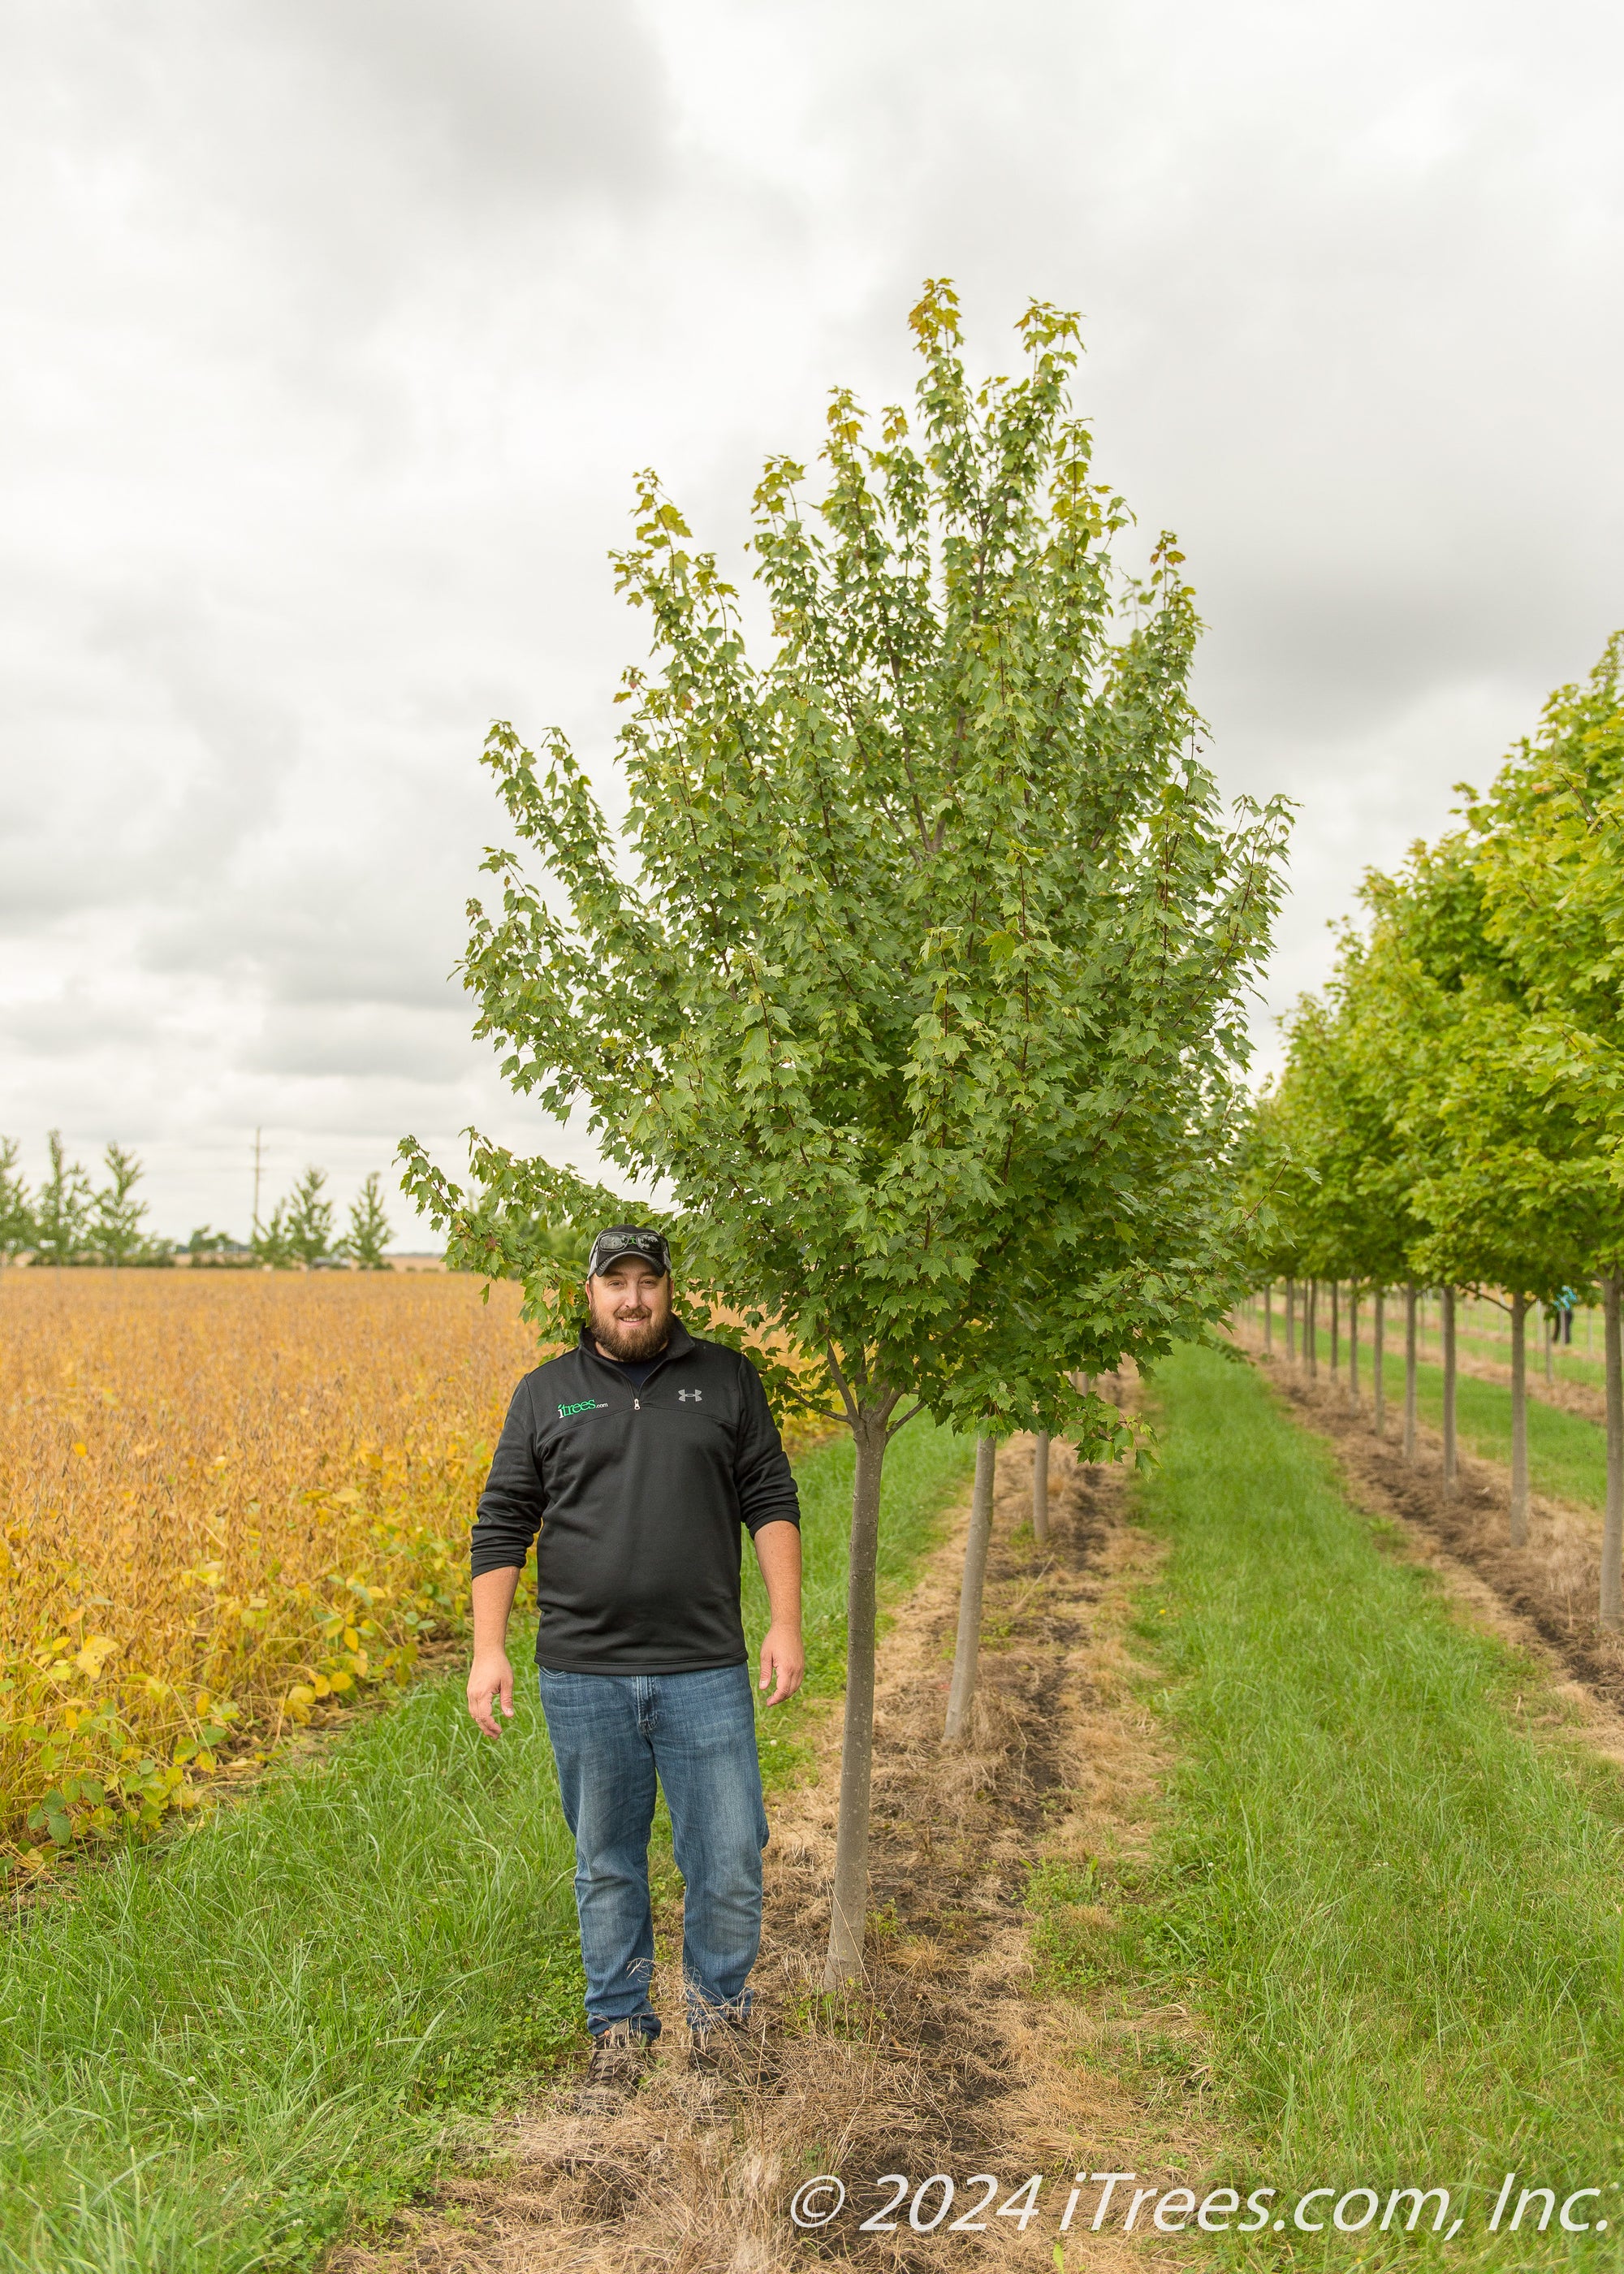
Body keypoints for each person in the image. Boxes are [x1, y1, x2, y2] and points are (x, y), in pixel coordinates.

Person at [466, 1225, 805, 2109]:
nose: (630, 1298)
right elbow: (503, 1520)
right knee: (606, 1861)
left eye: (644, 1281)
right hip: (583, 1674)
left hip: (704, 1669)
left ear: (667, 1288)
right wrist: (488, 1649)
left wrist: (784, 1621)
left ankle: (721, 2024)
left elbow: (769, 1494)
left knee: (728, 1856)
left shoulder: (726, 1378)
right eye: (613, 1283)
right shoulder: (545, 1394)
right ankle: (618, 2033)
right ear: (587, 1295)